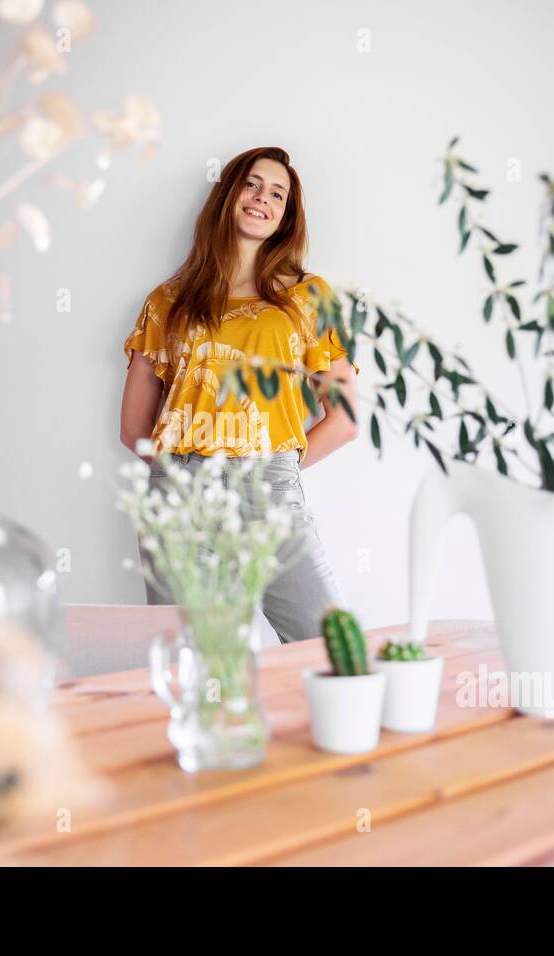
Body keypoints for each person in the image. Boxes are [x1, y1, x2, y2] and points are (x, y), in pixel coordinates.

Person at [118, 145, 359, 643]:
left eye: (278, 193)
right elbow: (134, 429)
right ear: (229, 194)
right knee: (188, 658)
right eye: (251, 184)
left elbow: (346, 418)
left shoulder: (308, 297)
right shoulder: (168, 301)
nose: (261, 199)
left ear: (286, 215)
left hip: (267, 490)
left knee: (326, 646)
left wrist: (271, 470)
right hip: (179, 493)